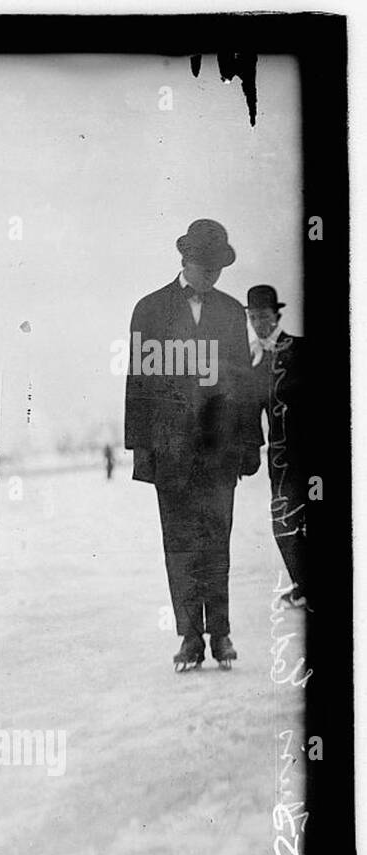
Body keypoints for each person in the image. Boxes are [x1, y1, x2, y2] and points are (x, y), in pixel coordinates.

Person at [124, 219, 264, 671]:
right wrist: (141, 450)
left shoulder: (230, 311)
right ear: (186, 260)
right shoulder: (148, 309)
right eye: (206, 268)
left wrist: (251, 443)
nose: (213, 276)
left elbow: (243, 382)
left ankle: (220, 633)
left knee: (216, 542)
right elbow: (138, 384)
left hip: (220, 450)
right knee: (180, 544)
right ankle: (190, 638)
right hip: (171, 452)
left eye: (218, 268)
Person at [246, 284, 310, 609]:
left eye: (265, 317)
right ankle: (305, 583)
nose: (259, 323)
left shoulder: (300, 348)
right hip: (280, 459)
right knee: (283, 522)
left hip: (310, 452)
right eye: (253, 317)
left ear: (277, 315)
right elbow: (246, 411)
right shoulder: (252, 358)